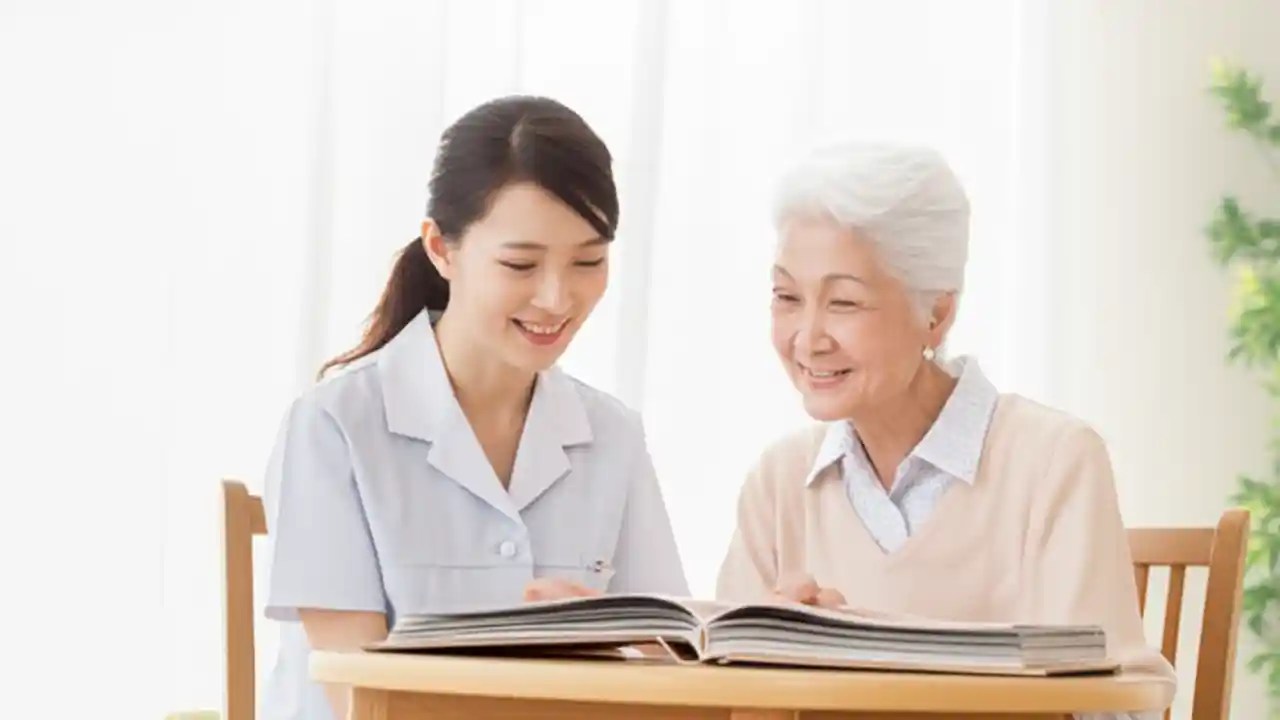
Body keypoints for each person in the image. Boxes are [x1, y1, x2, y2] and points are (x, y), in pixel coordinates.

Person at [261, 96, 688, 720]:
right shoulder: (334, 425)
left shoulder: (612, 435)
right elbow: (359, 694)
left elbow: (672, 668)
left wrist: (612, 652)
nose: (556, 297)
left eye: (589, 262)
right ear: (441, 247)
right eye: (520, 263)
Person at [716, 142, 1174, 720]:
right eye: (787, 297)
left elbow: (1113, 706)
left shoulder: (1054, 460)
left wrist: (864, 652)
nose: (807, 338)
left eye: (844, 303)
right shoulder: (779, 480)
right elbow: (719, 699)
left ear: (936, 313)